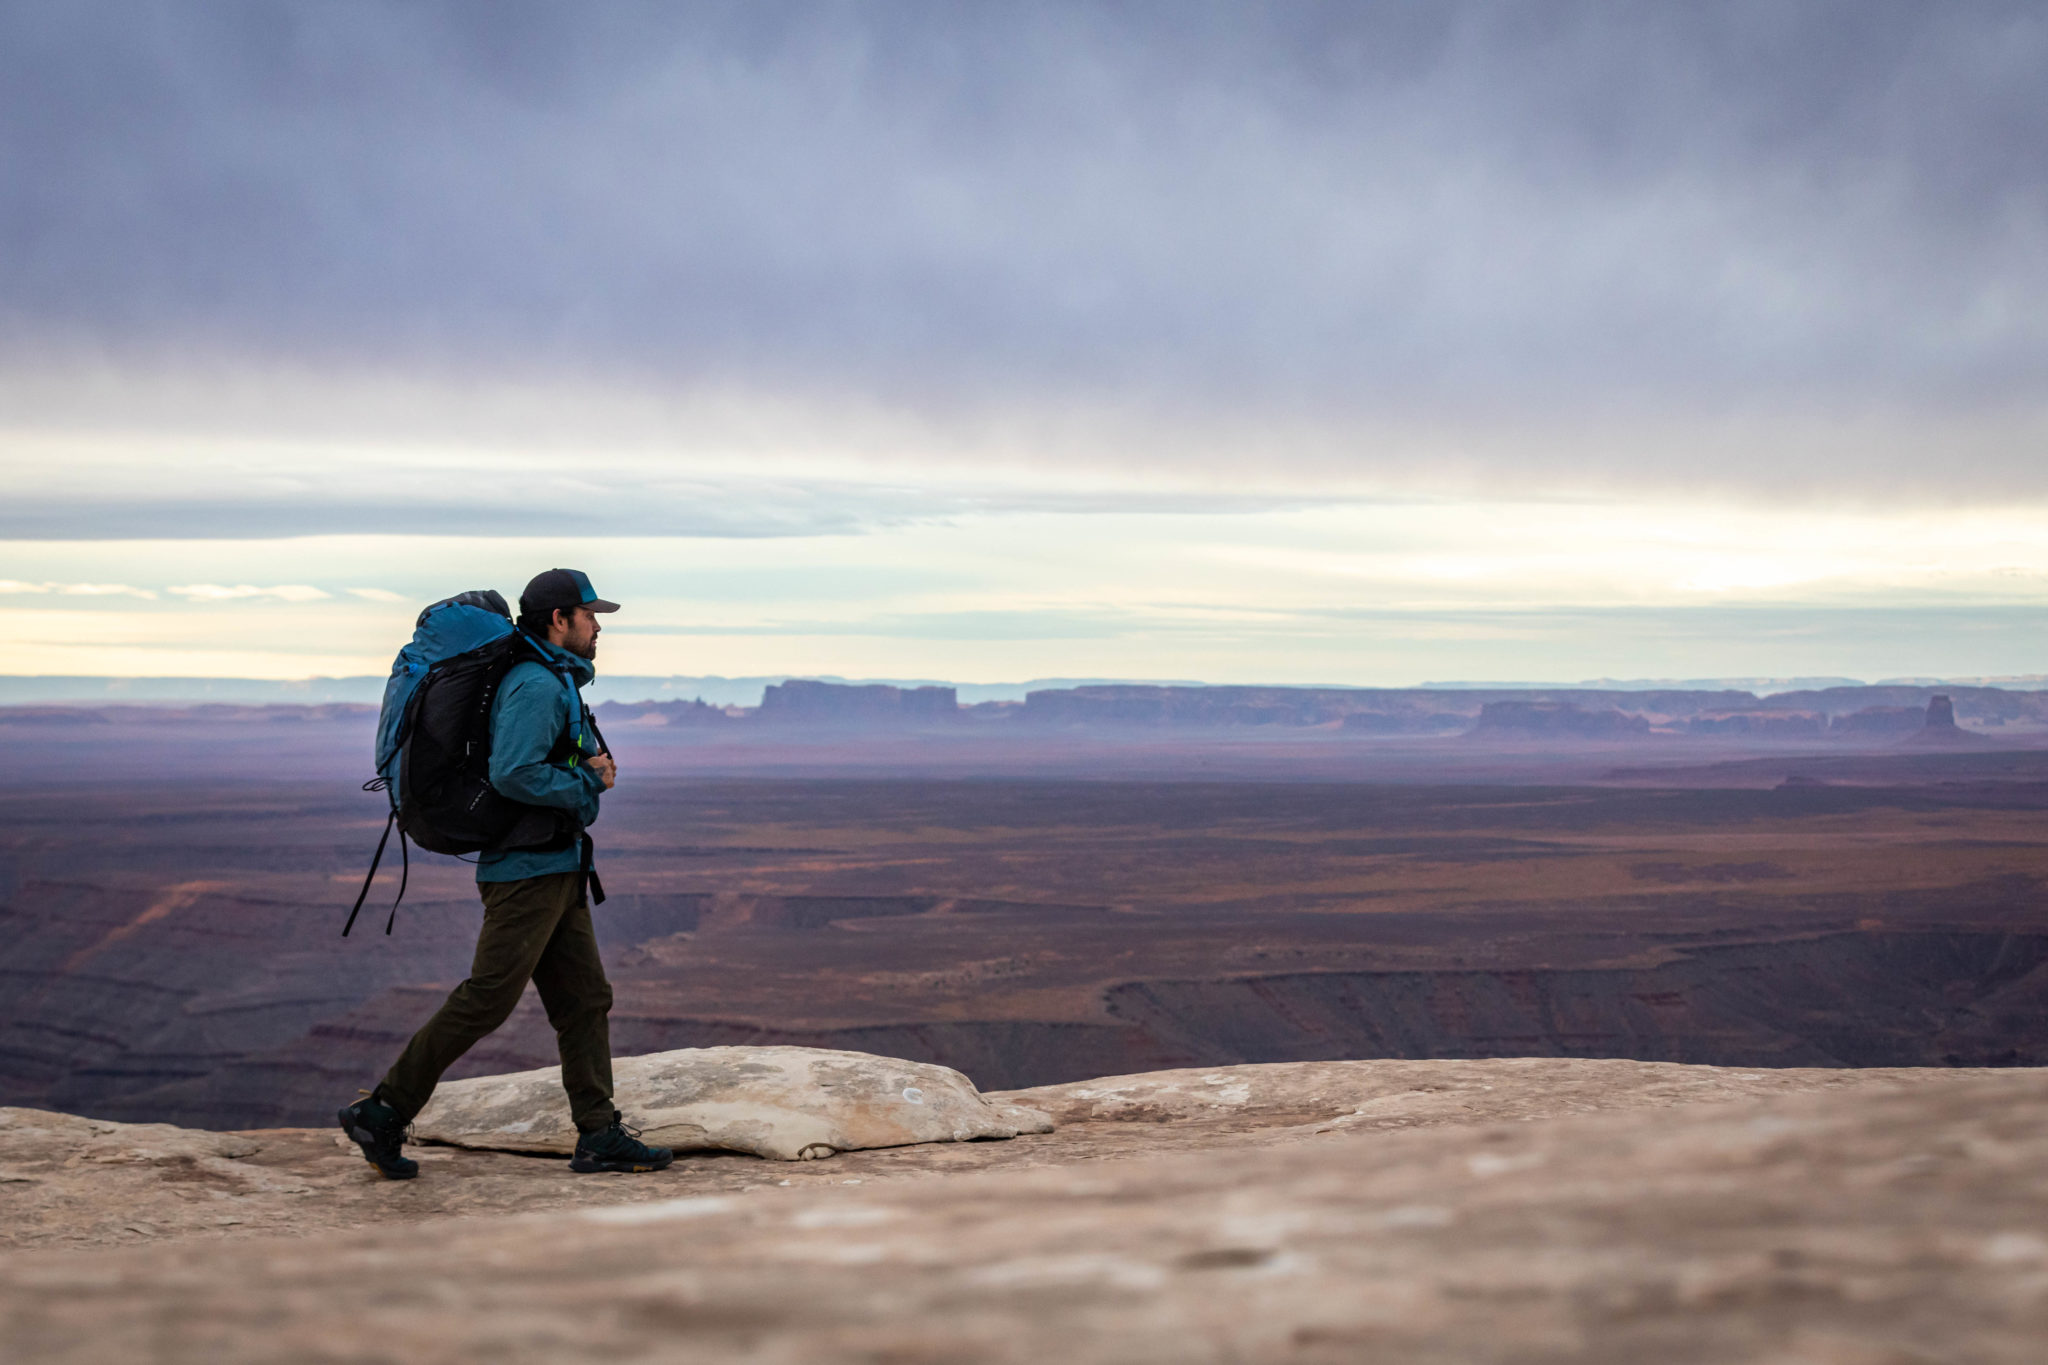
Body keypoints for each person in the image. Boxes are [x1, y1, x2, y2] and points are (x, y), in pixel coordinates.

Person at [337, 569, 672, 1179]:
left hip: (557, 865)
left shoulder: (555, 679)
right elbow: (516, 772)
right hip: (527, 872)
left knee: (585, 1001)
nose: (598, 628)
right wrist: (587, 781)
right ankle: (383, 1111)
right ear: (558, 620)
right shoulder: (536, 685)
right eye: (589, 616)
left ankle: (599, 1134)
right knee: (488, 998)